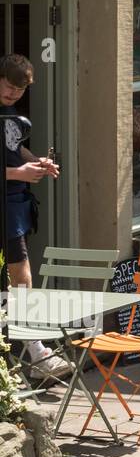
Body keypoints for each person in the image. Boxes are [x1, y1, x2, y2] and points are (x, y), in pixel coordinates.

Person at [0, 54, 67, 380]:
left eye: (20, 90)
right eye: (10, 86)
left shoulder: (8, 112)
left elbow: (13, 148)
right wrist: (18, 172)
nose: (14, 94)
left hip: (13, 204)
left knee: (20, 278)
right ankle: (36, 351)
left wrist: (36, 162)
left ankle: (34, 349)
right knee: (20, 277)